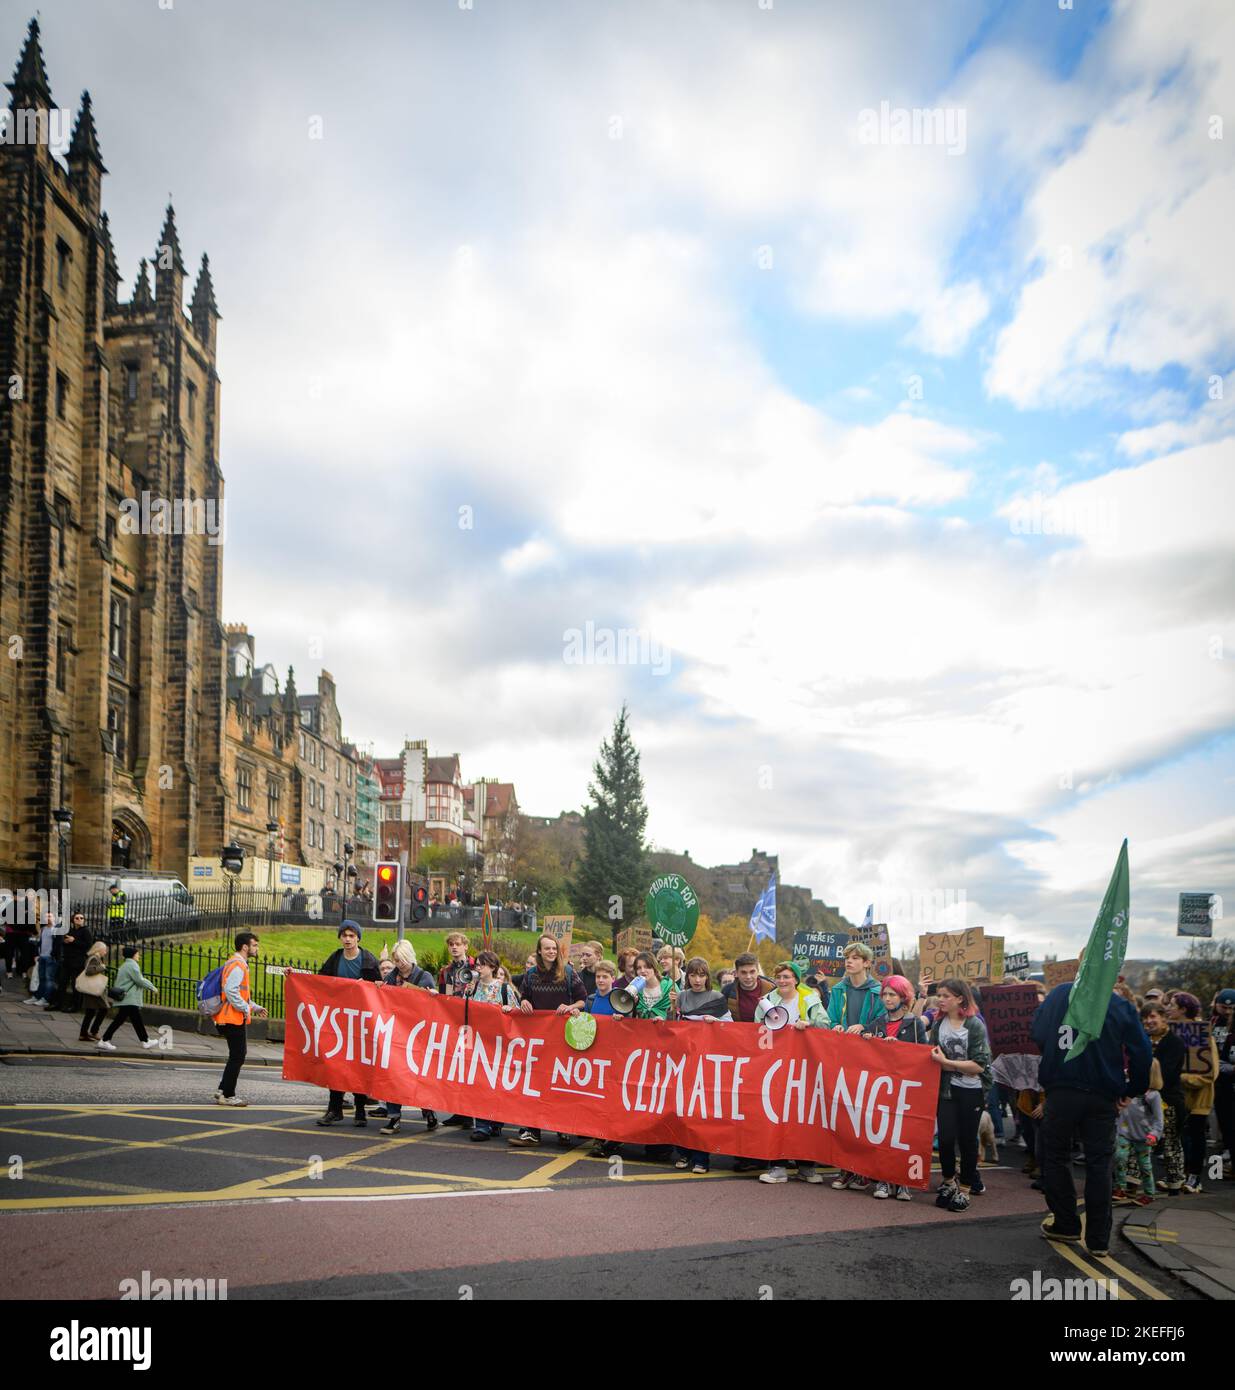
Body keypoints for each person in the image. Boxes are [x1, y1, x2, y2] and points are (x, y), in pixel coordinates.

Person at [1033, 966, 1152, 1259]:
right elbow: (1142, 1052)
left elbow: (1036, 1032)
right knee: (1100, 1164)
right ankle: (1099, 1240)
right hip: (1102, 1095)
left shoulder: (1060, 994)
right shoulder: (1120, 1005)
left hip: (1062, 1090)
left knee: (1056, 1156)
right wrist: (1131, 1089)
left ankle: (1066, 1223)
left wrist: (1058, 1055)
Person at [508, 933, 586, 1147]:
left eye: (554, 948)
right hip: (538, 1038)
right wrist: (524, 1002)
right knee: (535, 1084)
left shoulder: (569, 973)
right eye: (547, 948)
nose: (551, 952)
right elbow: (525, 996)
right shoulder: (531, 974)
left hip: (563, 1038)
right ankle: (532, 1131)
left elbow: (583, 999)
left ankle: (563, 1128)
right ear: (539, 951)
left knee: (560, 1084)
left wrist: (571, 1007)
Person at [754, 962, 828, 1186]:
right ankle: (778, 1166)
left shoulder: (810, 1000)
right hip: (776, 1066)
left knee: (803, 1114)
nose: (783, 980)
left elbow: (825, 1026)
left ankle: (806, 1166)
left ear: (796, 979)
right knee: (778, 1113)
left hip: (804, 1066)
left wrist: (809, 1024)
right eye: (779, 976)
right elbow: (755, 1027)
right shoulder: (768, 1001)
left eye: (787, 976)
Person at [929, 978, 992, 1212]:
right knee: (945, 1139)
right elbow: (932, 1054)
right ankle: (948, 1181)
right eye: (939, 995)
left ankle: (965, 1188)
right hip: (946, 1090)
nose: (940, 1000)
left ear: (960, 999)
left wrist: (948, 1063)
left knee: (967, 1140)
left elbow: (980, 1065)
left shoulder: (974, 1025)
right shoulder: (939, 1024)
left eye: (946, 996)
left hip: (971, 1091)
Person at [863, 975, 928, 1200]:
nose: (888, 999)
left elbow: (923, 1055)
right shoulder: (878, 1023)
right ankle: (882, 1179)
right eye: (885, 995)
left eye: (893, 995)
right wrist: (867, 1039)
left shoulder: (915, 1023)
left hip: (906, 1088)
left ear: (904, 997)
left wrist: (899, 1048)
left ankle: (902, 1182)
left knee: (903, 1135)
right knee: (882, 1133)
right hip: (883, 1087)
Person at [316, 920, 381, 1126]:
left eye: (352, 936)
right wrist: (294, 975)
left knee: (359, 1066)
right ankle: (334, 1109)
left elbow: (379, 989)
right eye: (344, 935)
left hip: (361, 1023)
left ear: (358, 938)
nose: (347, 939)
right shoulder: (335, 958)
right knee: (336, 1065)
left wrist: (367, 986)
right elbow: (319, 982)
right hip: (338, 1022)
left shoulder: (368, 960)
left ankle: (360, 1109)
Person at [671, 957, 729, 1173]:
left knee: (701, 1110)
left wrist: (717, 1024)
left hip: (706, 1061)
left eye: (701, 975)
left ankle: (701, 1158)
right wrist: (672, 1007)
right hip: (683, 1059)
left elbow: (730, 1027)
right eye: (693, 975)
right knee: (681, 1107)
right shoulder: (681, 996)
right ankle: (683, 1153)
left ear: (707, 976)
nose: (697, 979)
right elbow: (673, 1027)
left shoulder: (717, 998)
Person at [378, 940, 440, 1135]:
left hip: (417, 1035)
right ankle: (394, 1117)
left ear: (410, 956)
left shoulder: (424, 976)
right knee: (393, 1075)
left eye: (403, 959)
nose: (400, 963)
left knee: (417, 1078)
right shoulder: (390, 977)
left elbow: (429, 1007)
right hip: (396, 1034)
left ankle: (428, 1112)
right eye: (396, 959)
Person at [465, 951, 521, 1141]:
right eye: (477, 965)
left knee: (496, 1084)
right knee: (479, 1084)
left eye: (481, 965)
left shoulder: (504, 989)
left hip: (498, 1045)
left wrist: (509, 1011)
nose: (477, 968)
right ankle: (482, 1126)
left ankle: (495, 1122)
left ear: (492, 967)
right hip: (478, 1043)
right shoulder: (472, 988)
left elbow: (518, 1015)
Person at [1169, 991, 1219, 1193]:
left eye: (1172, 1005)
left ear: (1182, 1009)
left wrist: (1182, 1078)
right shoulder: (1172, 1034)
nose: (1167, 1008)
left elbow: (1211, 1072)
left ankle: (1195, 1177)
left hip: (1199, 1098)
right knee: (1178, 1136)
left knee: (1195, 1136)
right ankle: (1179, 1174)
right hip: (1179, 1097)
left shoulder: (1203, 1035)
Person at [213, 932, 268, 1105]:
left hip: (230, 1016)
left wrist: (255, 1007)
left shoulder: (235, 962)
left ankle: (222, 1090)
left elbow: (241, 993)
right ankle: (228, 1095)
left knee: (236, 1055)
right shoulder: (238, 965)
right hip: (232, 1017)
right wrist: (245, 1008)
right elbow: (231, 990)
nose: (257, 948)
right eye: (255, 945)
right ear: (245, 947)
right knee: (238, 1056)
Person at [1142, 1001, 1187, 1195]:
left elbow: (1167, 1073)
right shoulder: (1142, 1040)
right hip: (1142, 1102)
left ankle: (1175, 1183)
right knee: (1139, 1142)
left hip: (1168, 1100)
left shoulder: (1174, 1043)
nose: (1148, 1021)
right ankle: (1134, 1184)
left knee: (1170, 1144)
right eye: (1145, 1018)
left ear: (1163, 1017)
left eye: (1152, 1016)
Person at [437, 931, 478, 1130]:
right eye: (451, 944)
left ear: (465, 946)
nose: (454, 947)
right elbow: (445, 998)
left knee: (470, 1066)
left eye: (457, 944)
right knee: (457, 1066)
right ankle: (460, 1111)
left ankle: (470, 1112)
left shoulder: (476, 966)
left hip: (474, 1022)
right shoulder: (446, 971)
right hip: (456, 1023)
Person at [1114, 1060, 1164, 1207]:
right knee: (1119, 1157)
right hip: (1124, 1131)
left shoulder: (1153, 1095)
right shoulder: (1128, 1085)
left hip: (1144, 1136)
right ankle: (1120, 1188)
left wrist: (1154, 1134)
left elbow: (1159, 1119)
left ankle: (1149, 1193)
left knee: (1145, 1166)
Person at [98, 945, 160, 1050]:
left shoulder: (126, 965)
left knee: (134, 1020)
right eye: (137, 954)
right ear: (132, 955)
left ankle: (145, 1041)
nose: (139, 956)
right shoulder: (132, 965)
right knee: (122, 1020)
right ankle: (104, 1040)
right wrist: (152, 987)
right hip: (129, 998)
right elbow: (139, 980)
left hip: (127, 998)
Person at [826, 942, 886, 1033]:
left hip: (868, 1044)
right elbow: (830, 1019)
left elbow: (883, 1021)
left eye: (855, 958)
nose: (849, 961)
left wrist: (864, 1027)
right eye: (847, 958)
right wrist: (835, 1026)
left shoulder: (879, 991)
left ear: (866, 963)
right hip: (842, 1042)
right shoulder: (837, 989)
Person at [52, 910, 93, 1013]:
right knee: (62, 983)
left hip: (78, 962)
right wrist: (65, 941)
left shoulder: (86, 931)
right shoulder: (70, 930)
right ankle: (58, 1004)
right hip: (67, 960)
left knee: (75, 985)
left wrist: (74, 941)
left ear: (84, 920)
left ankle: (75, 1006)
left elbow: (88, 946)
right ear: (73, 920)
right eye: (77, 918)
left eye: (81, 918)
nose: (79, 920)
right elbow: (63, 942)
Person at [25, 904, 66, 1008]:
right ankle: (37, 996)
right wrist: (36, 954)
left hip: (51, 958)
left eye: (50, 916)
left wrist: (53, 956)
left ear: (54, 918)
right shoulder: (43, 929)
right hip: (42, 957)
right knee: (41, 978)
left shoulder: (57, 930)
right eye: (46, 916)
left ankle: (46, 999)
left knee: (49, 979)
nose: (48, 918)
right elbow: (39, 943)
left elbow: (59, 945)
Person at [1213, 988, 1235, 1177]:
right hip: (1219, 1079)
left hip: (1229, 1074)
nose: (1227, 1011)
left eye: (1232, 1008)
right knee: (1224, 1118)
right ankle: (1226, 1147)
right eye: (1224, 1007)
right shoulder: (1212, 1022)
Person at [75, 941, 111, 1042]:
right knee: (103, 1009)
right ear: (99, 949)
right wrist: (102, 967)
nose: (105, 952)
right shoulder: (94, 958)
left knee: (90, 1012)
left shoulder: (94, 957)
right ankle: (93, 1032)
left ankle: (84, 1034)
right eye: (104, 950)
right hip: (93, 990)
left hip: (92, 989)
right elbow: (89, 971)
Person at [722, 952, 772, 1023]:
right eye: (743, 972)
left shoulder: (771, 989)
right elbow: (720, 1017)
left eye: (752, 972)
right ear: (736, 973)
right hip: (737, 1033)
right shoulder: (727, 991)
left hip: (765, 1033)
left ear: (758, 971)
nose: (748, 977)